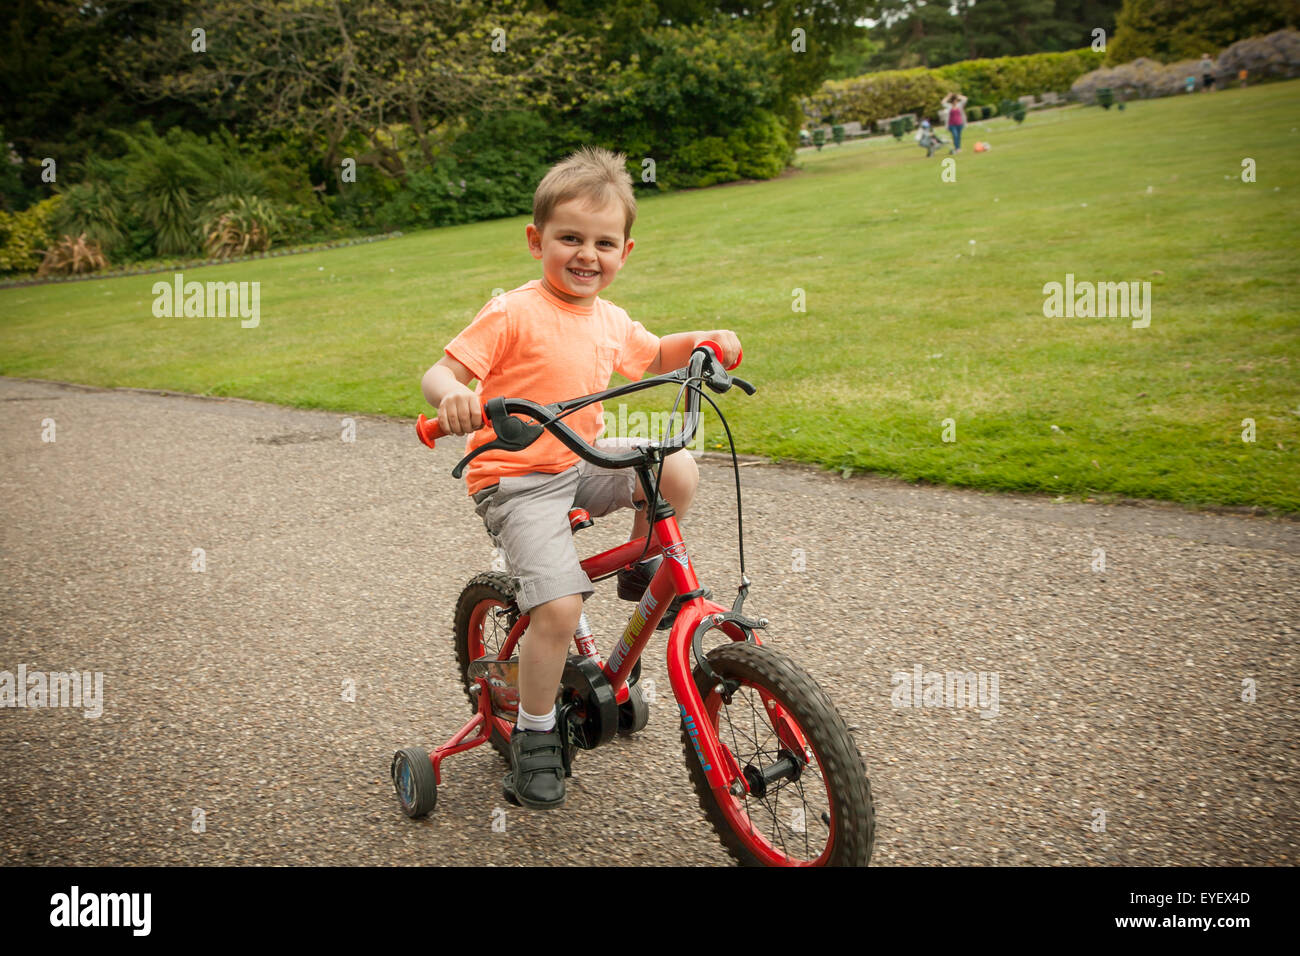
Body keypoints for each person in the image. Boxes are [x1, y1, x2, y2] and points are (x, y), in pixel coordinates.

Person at [421, 146, 742, 810]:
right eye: (570, 238)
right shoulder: (513, 311)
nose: (586, 254)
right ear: (537, 241)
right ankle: (537, 736)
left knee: (675, 464)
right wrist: (452, 394)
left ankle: (642, 564)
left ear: (625, 251)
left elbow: (653, 354)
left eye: (604, 242)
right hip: (516, 477)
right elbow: (443, 370)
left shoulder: (609, 318)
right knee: (559, 608)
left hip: (582, 459)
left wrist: (705, 340)